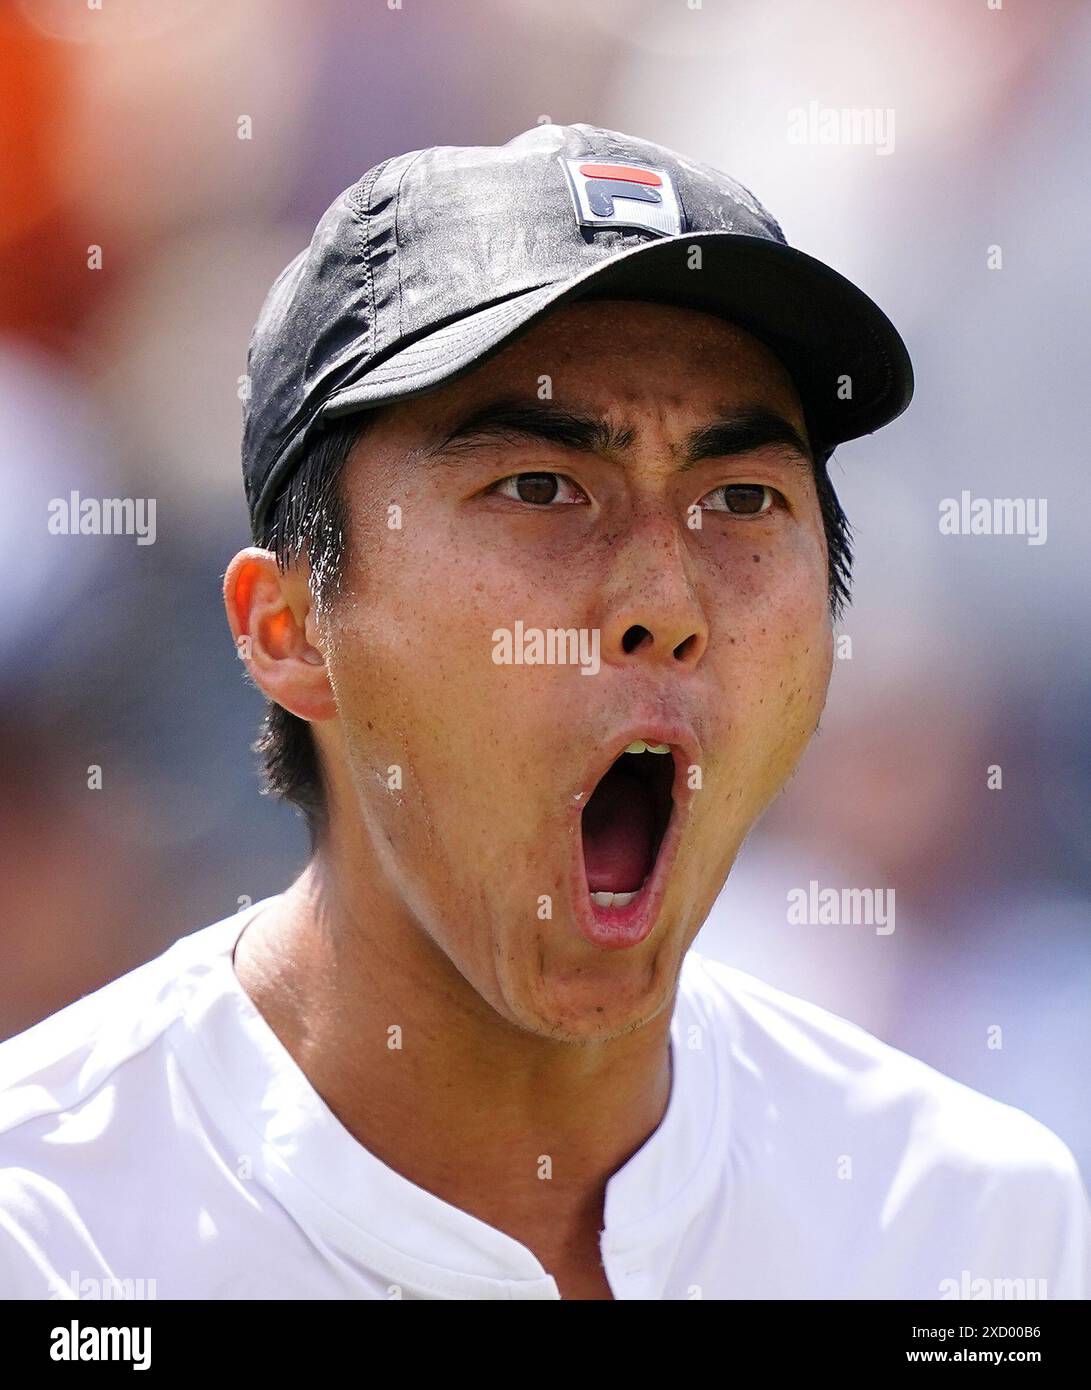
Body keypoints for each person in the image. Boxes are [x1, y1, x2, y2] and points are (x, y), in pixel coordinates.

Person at [1, 124, 1087, 1301]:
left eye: (736, 496)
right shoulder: (48, 1235)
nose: (663, 603)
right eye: (538, 486)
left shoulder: (968, 1227)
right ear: (289, 628)